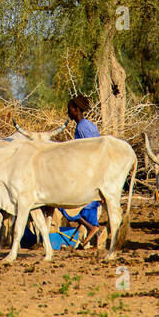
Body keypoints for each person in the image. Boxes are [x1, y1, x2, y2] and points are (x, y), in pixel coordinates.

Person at [55, 95, 102, 247]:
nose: (68, 113)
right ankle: (94, 238)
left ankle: (91, 227)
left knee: (63, 202)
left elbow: (90, 151)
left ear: (76, 110)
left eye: (69, 110)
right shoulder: (88, 125)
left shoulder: (82, 127)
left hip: (87, 173)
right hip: (91, 172)